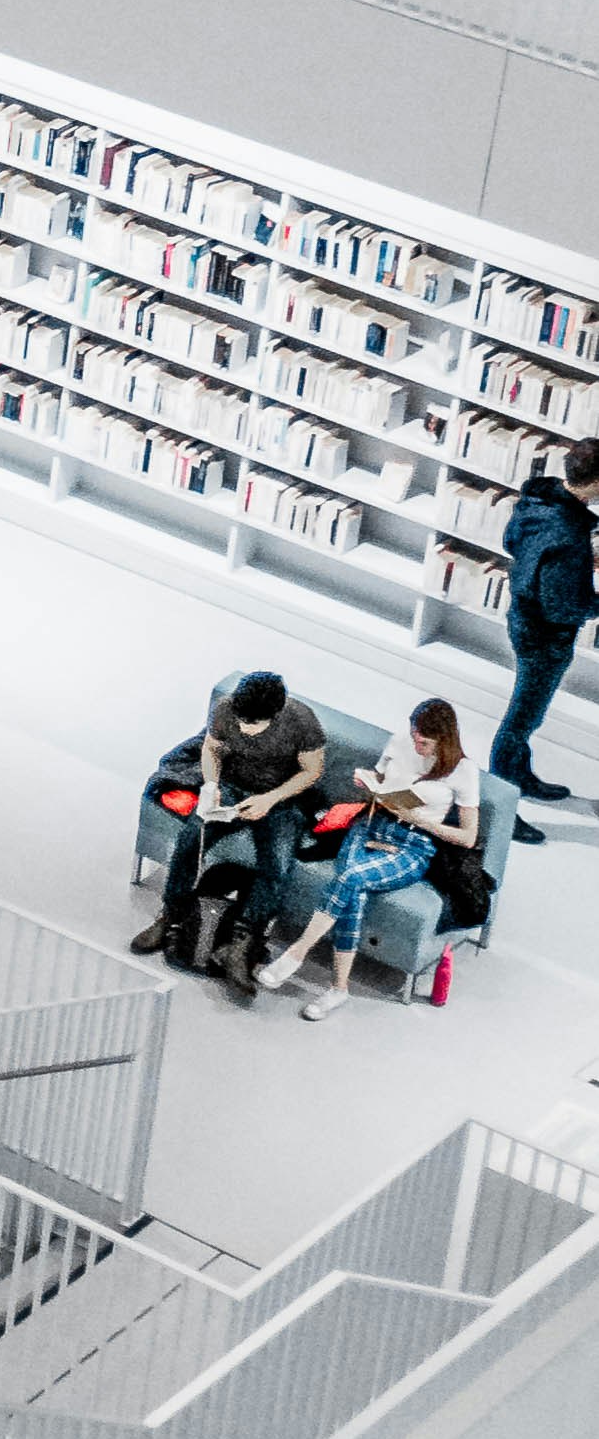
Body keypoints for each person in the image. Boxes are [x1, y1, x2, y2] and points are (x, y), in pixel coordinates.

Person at [261, 703, 479, 1021]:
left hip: (413, 844)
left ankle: (297, 951)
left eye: (425, 743)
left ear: (443, 740)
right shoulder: (401, 741)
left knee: (350, 877)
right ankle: (338, 988)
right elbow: (380, 779)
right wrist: (369, 783)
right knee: (355, 893)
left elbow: (468, 837)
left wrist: (420, 820)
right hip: (371, 827)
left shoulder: (463, 771)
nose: (417, 746)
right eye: (415, 737)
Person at [134, 665, 328, 982]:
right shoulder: (226, 709)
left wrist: (271, 799)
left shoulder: (301, 721)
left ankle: (244, 940)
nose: (245, 727)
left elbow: (312, 771)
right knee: (190, 839)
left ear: (276, 713)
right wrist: (211, 786)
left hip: (280, 799)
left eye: (254, 723)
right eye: (242, 720)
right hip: (233, 786)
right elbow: (211, 748)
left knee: (278, 863)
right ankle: (171, 914)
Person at [490, 433, 599, 802]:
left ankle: (519, 776)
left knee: (527, 713)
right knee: (522, 719)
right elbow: (563, 606)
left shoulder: (539, 500)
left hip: (523, 618)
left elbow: (513, 543)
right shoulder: (569, 533)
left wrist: (579, 566)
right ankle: (499, 800)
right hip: (545, 635)